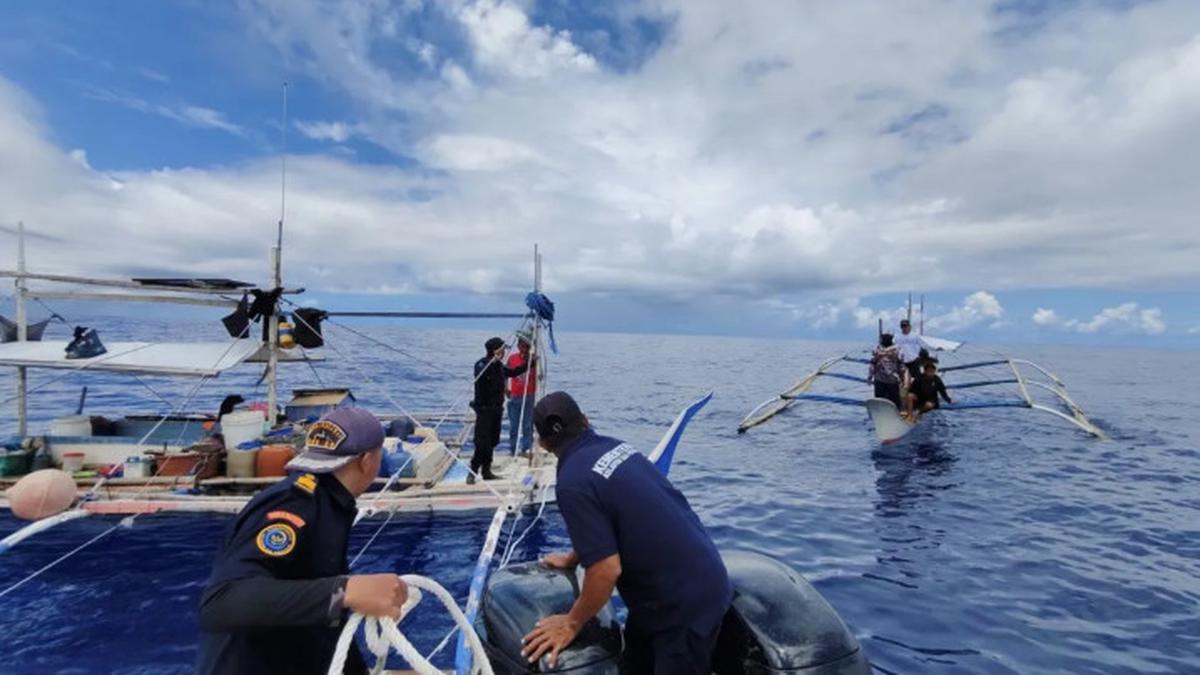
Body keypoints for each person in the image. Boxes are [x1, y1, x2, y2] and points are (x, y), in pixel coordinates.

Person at [522, 392, 732, 674]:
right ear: (585, 420)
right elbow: (616, 516)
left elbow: (606, 570)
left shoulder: (572, 482)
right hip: (691, 580)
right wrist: (576, 556)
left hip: (684, 608)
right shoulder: (616, 447)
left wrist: (571, 623)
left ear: (543, 443)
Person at [196, 408, 409, 675]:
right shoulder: (293, 505)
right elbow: (222, 603)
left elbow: (317, 616)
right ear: (367, 461)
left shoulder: (327, 502)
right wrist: (344, 591)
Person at [470, 336, 530, 483]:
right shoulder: (482, 364)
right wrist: (492, 361)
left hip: (497, 409)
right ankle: (472, 471)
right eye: (502, 350)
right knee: (482, 443)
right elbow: (481, 373)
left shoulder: (500, 366)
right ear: (495, 351)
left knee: (492, 441)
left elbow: (513, 372)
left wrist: (530, 364)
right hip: (484, 410)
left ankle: (487, 471)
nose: (504, 353)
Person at [506, 331, 537, 456]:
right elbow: (506, 374)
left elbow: (540, 375)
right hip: (515, 395)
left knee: (527, 424)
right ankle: (513, 449)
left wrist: (532, 358)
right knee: (514, 425)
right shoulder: (512, 358)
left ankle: (526, 448)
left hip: (529, 395)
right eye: (522, 346)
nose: (524, 349)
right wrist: (505, 389)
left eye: (526, 346)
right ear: (518, 346)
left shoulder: (533, 360)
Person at [867, 333, 904, 409]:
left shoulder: (897, 348)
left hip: (892, 379)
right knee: (880, 399)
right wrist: (870, 377)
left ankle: (896, 410)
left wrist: (902, 378)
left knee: (895, 400)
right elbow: (873, 363)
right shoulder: (877, 349)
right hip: (880, 379)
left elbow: (900, 362)